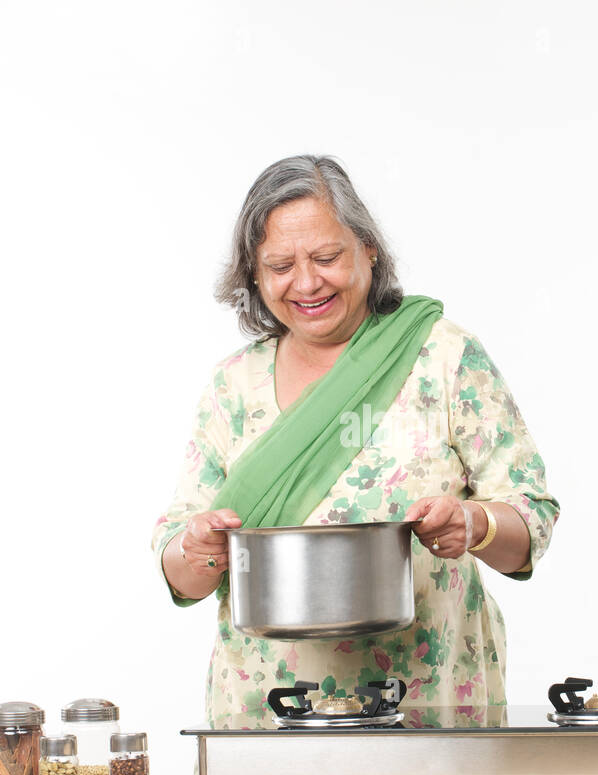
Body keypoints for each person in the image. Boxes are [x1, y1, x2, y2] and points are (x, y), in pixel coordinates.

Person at [151, 155, 559, 729]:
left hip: (430, 706)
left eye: (326, 257)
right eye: (280, 266)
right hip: (271, 714)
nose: (307, 283)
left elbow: (531, 520)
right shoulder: (232, 387)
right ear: (254, 276)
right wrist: (195, 550)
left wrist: (476, 524)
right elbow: (179, 570)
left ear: (368, 247)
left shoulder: (441, 357)